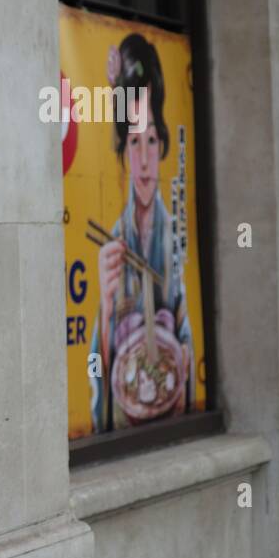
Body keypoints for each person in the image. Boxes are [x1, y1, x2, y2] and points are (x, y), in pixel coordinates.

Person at [89, 33, 193, 433]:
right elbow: (98, 362)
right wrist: (106, 304)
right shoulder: (114, 240)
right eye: (135, 143)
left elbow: (186, 337)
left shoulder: (174, 236)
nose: (146, 159)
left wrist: (182, 354)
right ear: (123, 153)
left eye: (152, 140)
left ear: (164, 144)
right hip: (130, 401)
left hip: (169, 398)